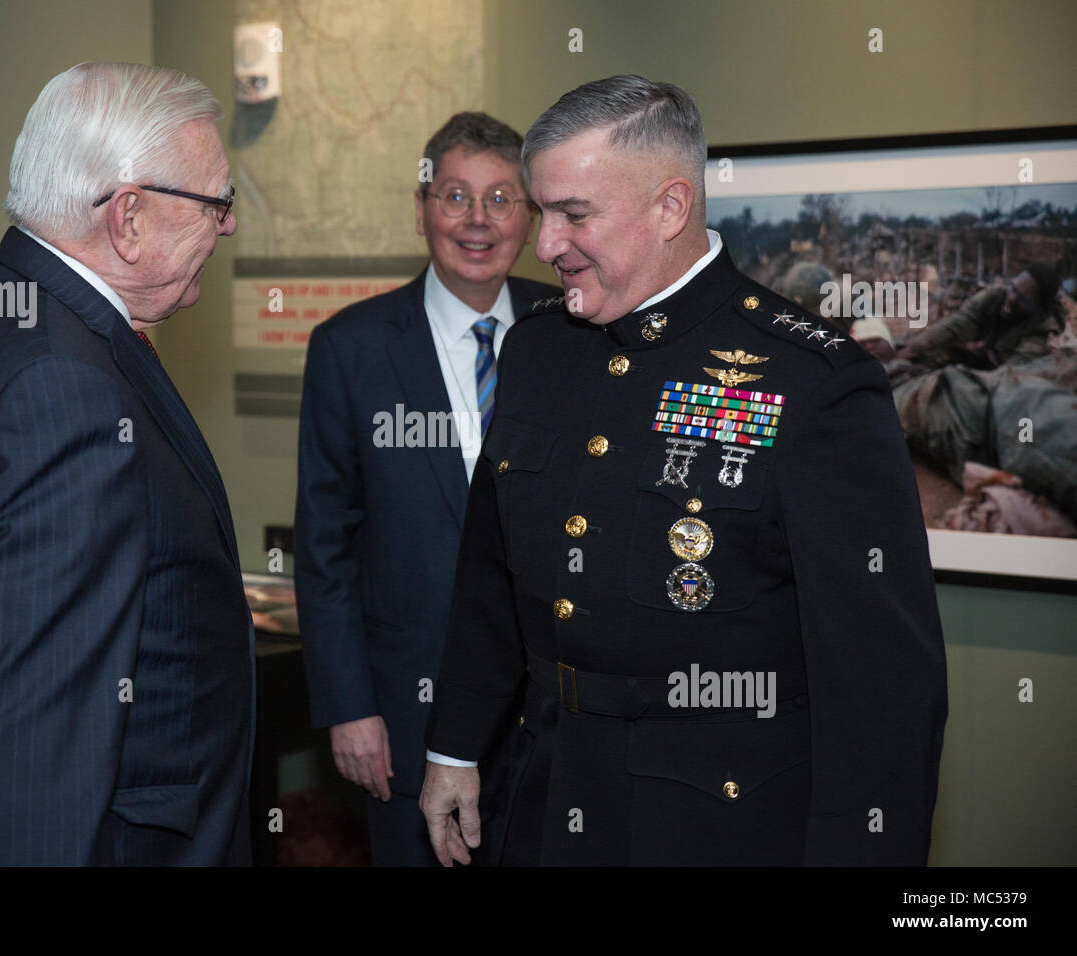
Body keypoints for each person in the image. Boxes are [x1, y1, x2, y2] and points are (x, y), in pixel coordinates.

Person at [419, 76, 948, 866]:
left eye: (574, 214)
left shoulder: (811, 382)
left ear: (670, 207)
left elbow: (881, 694)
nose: (544, 245)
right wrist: (455, 747)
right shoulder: (537, 350)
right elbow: (489, 577)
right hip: (545, 796)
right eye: (543, 210)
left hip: (713, 824)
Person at [0, 62, 254, 865]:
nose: (228, 227)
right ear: (130, 217)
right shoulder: (63, 385)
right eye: (217, 203)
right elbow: (31, 757)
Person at [295, 112, 559, 865]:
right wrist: (350, 708)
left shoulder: (571, 329)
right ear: (421, 211)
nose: (478, 221)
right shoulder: (351, 349)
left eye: (502, 198)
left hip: (549, 711)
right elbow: (325, 545)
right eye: (455, 196)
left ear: (530, 216)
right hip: (410, 710)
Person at [899, 265, 1061, 368]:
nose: (1011, 298)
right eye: (1014, 289)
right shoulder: (994, 298)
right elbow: (955, 325)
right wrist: (913, 348)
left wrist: (989, 356)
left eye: (1022, 299)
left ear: (1039, 307)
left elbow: (1012, 376)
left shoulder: (1042, 330)